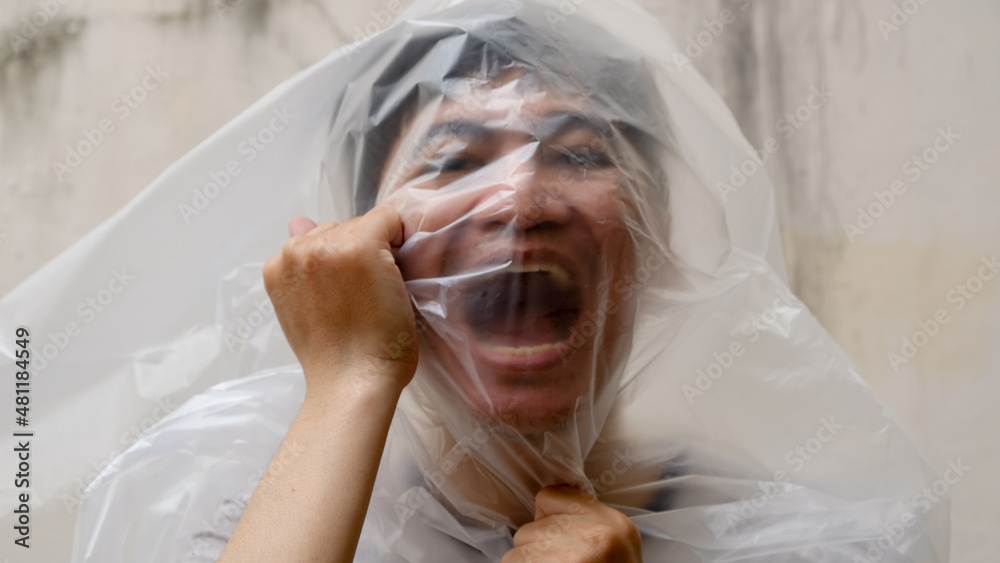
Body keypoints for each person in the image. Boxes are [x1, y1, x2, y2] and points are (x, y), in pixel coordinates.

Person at [58, 0, 948, 561]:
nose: (520, 198)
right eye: (453, 162)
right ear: (366, 245)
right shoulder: (218, 507)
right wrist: (349, 381)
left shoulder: (812, 545)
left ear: (654, 236)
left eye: (580, 152)